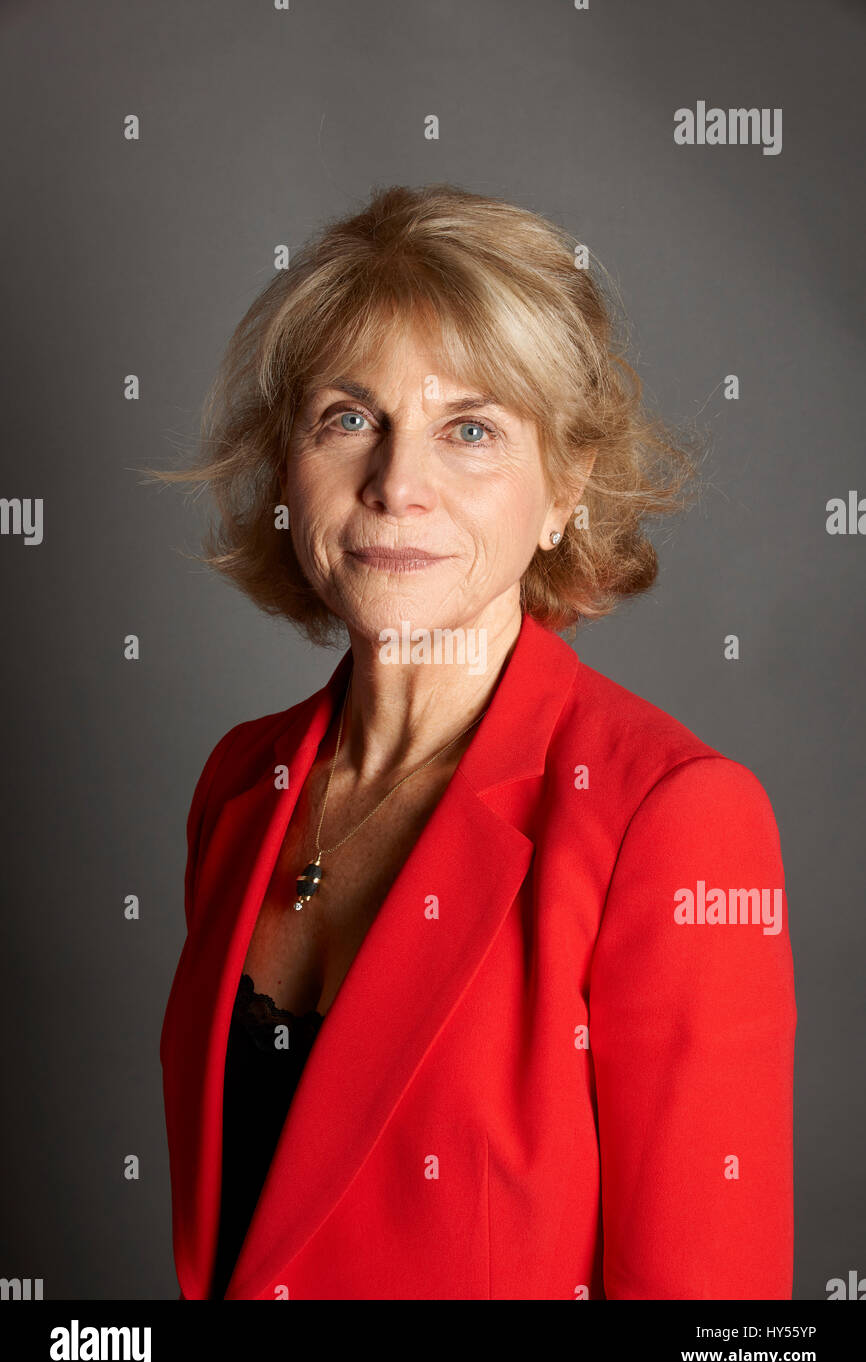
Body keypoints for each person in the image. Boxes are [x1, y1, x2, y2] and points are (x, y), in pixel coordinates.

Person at [155, 184, 796, 1300]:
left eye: (470, 430)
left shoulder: (671, 819)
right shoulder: (238, 785)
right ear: (285, 470)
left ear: (564, 486)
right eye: (347, 417)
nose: (397, 484)